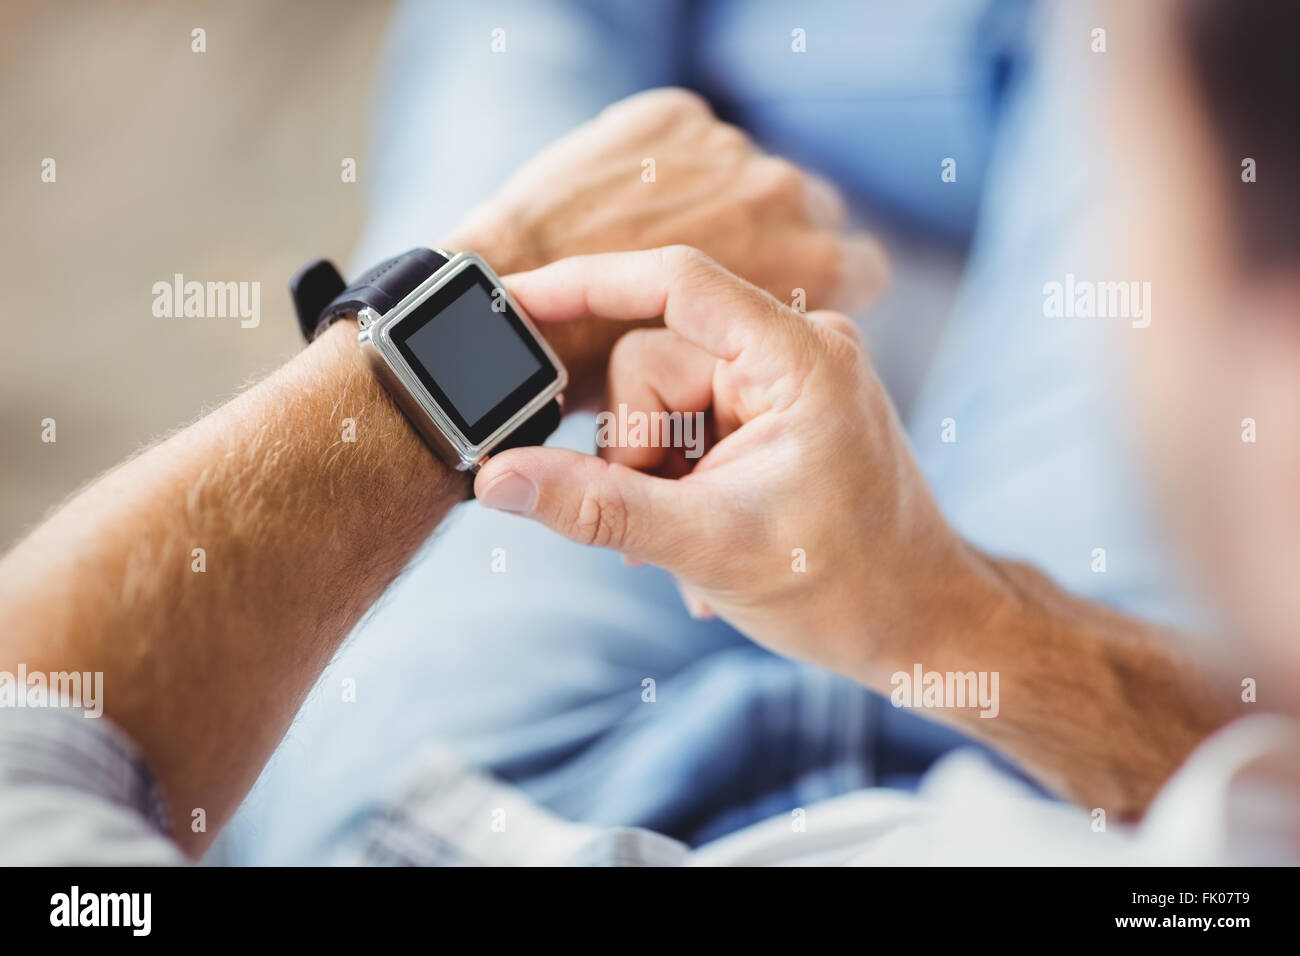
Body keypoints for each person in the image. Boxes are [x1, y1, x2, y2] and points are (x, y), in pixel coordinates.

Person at [0, 0, 1294, 866]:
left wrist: (504, 277)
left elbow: (38, 729)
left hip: (460, 813)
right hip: (1132, 785)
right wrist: (966, 625)